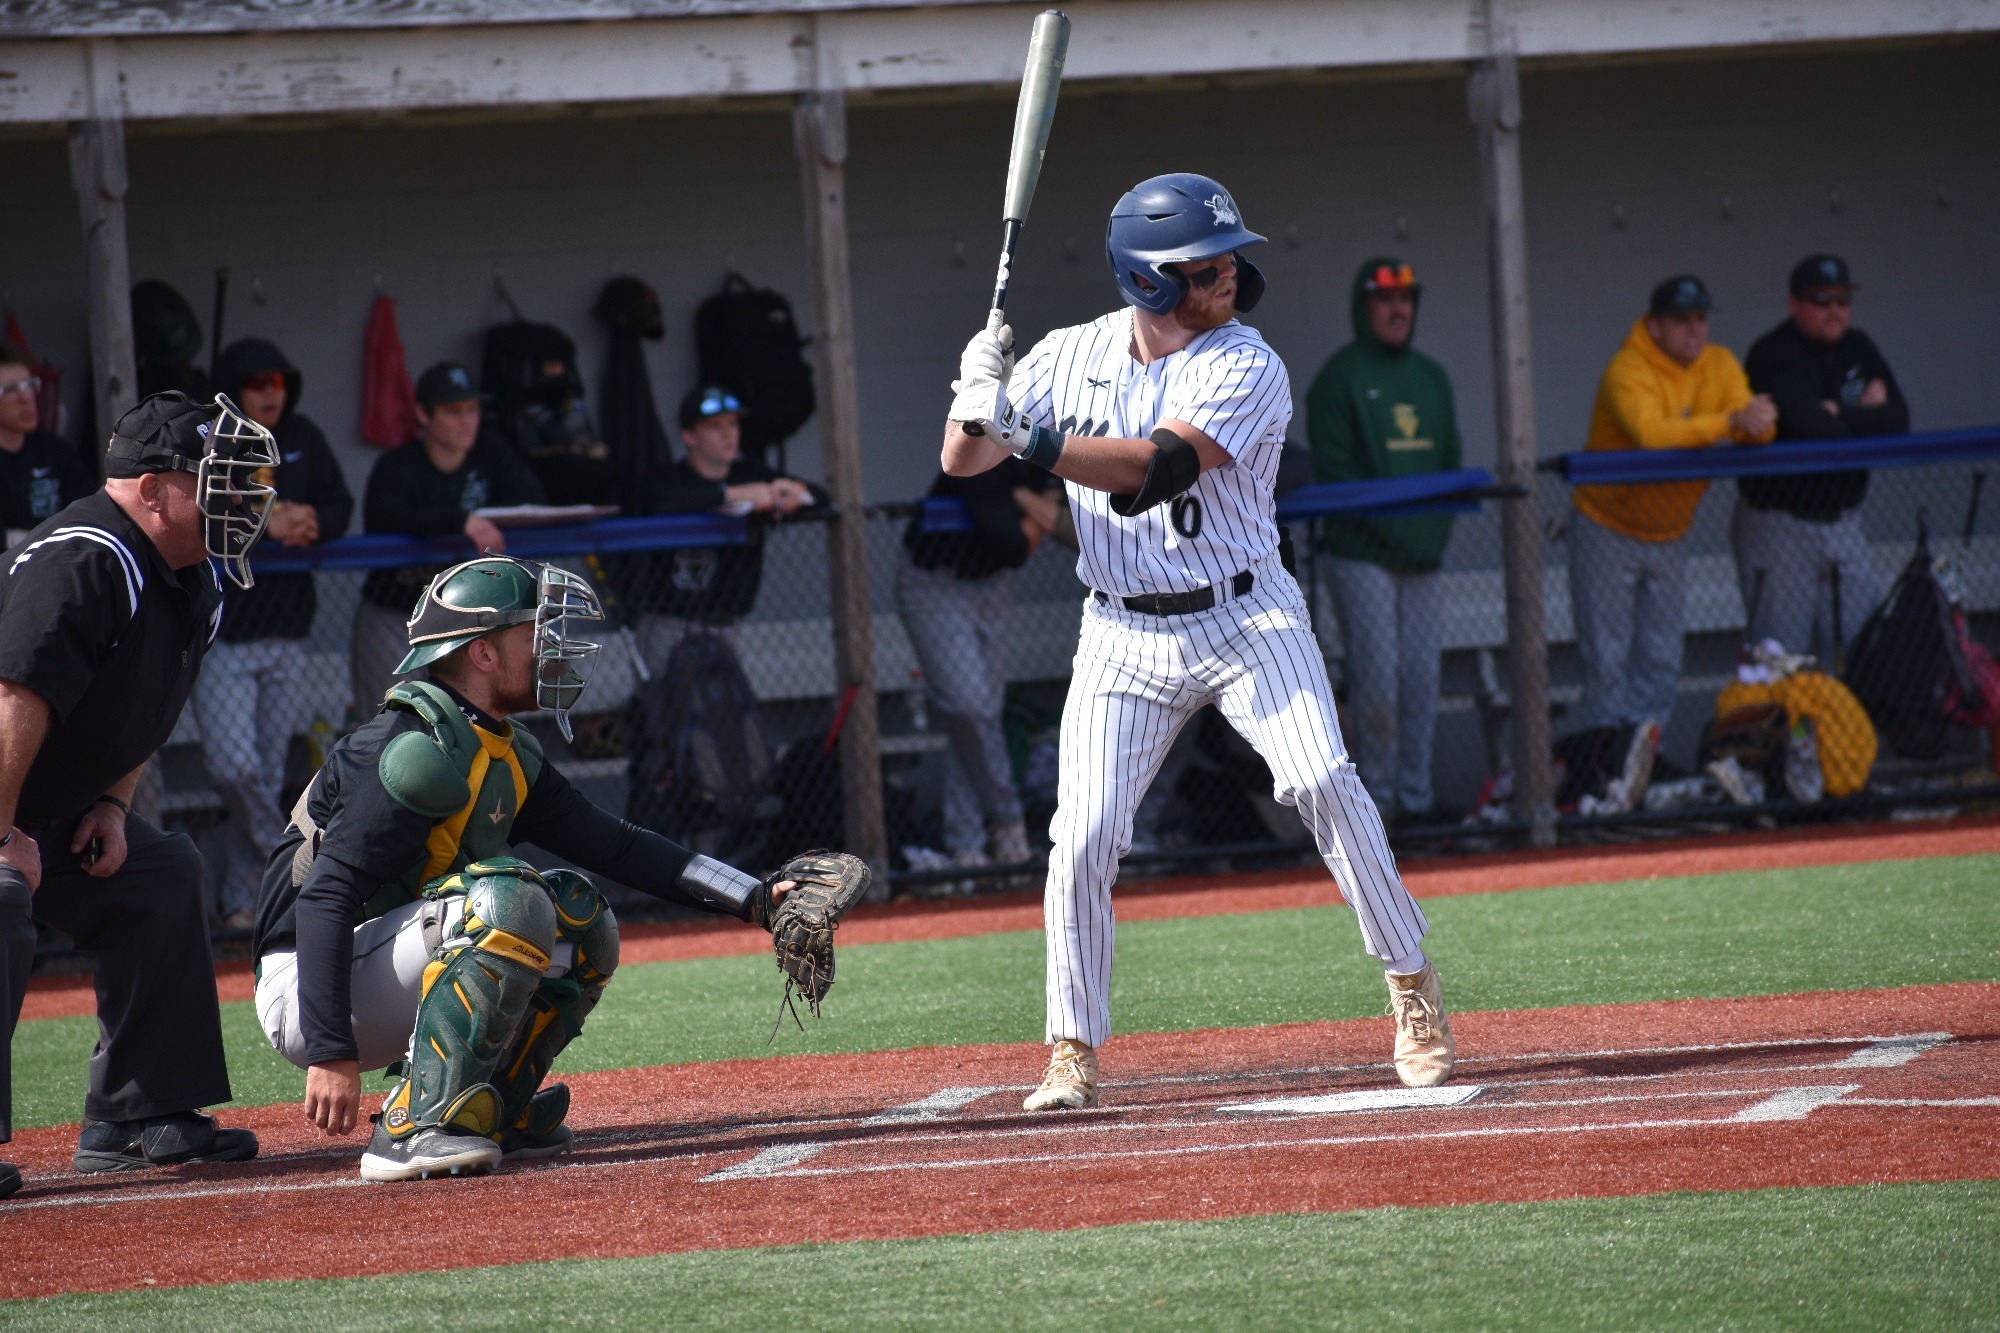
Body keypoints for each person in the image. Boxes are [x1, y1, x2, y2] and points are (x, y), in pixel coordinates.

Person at [941, 173, 1452, 1111]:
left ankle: (1410, 980)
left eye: (1227, 260)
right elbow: (962, 460)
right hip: (1121, 629)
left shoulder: (1247, 363)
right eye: (1205, 266)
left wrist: (1024, 431)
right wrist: (976, 397)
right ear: (1147, 281)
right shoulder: (1069, 353)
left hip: (1248, 616)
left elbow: (1151, 470)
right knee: (1083, 837)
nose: (1229, 276)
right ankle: (1070, 1048)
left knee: (1322, 780)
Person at [251, 556, 798, 1181]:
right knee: (508, 900)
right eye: (535, 632)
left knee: (580, 916)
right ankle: (410, 1130)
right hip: (307, 985)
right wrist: (330, 1053)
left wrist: (754, 898)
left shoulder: (496, 745)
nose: (554, 648)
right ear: (482, 654)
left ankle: (491, 1108)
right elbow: (325, 897)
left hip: (376, 960)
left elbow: (618, 846)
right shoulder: (410, 751)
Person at [0, 392, 275, 1192]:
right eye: (217, 481)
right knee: (2, 893)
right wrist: (3, 831)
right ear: (152, 490)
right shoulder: (88, 556)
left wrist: (113, 806)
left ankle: (136, 1114)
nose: (242, 500)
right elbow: (14, 697)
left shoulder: (195, 580)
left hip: (41, 807)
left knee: (159, 875)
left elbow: (144, 709)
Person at [1568, 276, 1777, 734]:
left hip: (1669, 533)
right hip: (1607, 527)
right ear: (1656, 326)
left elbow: (1756, 423)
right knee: (1607, 656)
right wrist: (1729, 422)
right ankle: (1606, 763)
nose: (1694, 330)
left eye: (1700, 318)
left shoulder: (1718, 364)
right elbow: (1652, 435)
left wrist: (1753, 422)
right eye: (1681, 320)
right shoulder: (1629, 367)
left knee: (1662, 656)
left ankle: (1646, 759)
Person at [192, 339, 353, 932]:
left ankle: (244, 903)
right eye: (258, 382)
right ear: (236, 386)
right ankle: (286, 853)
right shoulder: (210, 437)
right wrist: (270, 520)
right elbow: (199, 513)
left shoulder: (304, 434)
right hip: (225, 635)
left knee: (262, 767)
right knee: (234, 768)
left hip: (288, 630)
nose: (270, 392)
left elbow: (341, 505)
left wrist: (311, 520)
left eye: (279, 381)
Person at [1305, 258, 1464, 826]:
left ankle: (1416, 803)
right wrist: (1401, 532)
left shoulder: (1432, 376)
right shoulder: (1339, 377)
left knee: (1422, 680)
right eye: (1385, 300)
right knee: (1379, 682)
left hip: (1422, 559)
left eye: (1407, 300)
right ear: (1363, 307)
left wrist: (1425, 537)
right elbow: (1338, 473)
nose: (1399, 310)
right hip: (1361, 556)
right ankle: (1379, 808)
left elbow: (1451, 462)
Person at [1734, 255, 1909, 663]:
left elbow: (1899, 420)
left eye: (1843, 299)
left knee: (1861, 651)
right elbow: (1816, 430)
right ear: (1794, 304)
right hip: (1781, 522)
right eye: (1822, 300)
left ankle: (1845, 730)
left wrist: (1841, 411)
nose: (1835, 310)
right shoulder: (1773, 354)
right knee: (1781, 660)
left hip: (1844, 521)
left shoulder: (1859, 346)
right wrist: (1866, 414)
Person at [352, 362, 546, 720]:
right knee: (388, 725)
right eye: (453, 411)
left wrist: (483, 518)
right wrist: (460, 521)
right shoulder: (398, 465)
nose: (466, 420)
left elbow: (532, 499)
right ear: (423, 415)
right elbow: (383, 517)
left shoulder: (491, 452)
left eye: (471, 409)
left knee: (467, 728)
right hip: (397, 615)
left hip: (468, 627)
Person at [896, 460, 1061, 870]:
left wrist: (1025, 499)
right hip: (935, 583)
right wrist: (1031, 503)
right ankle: (1007, 821)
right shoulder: (979, 456)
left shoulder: (1045, 451)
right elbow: (1018, 546)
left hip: (992, 586)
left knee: (977, 718)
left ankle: (967, 846)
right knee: (969, 707)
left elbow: (1057, 517)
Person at [631, 386, 822, 667]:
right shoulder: (669, 479)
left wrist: (793, 490)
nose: (727, 434)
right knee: (665, 702)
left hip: (725, 621)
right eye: (714, 426)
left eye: (733, 424)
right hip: (669, 620)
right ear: (689, 436)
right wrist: (732, 495)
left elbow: (820, 496)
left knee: (723, 704)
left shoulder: (751, 472)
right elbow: (653, 500)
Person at [0, 342, 94, 548]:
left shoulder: (55, 451)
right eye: (10, 390)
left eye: (29, 385)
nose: (25, 398)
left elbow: (88, 509)